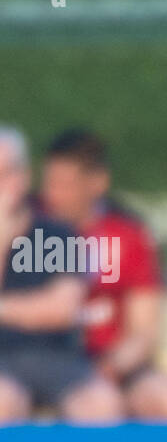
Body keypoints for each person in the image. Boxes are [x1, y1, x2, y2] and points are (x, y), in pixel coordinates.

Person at [39, 129, 167, 421]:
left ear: (97, 183)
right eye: (50, 183)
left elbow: (143, 332)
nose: (53, 195)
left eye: (66, 185)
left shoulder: (128, 235)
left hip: (112, 363)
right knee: (95, 405)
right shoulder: (30, 231)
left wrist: (110, 367)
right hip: (48, 363)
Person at [0, 125, 119, 424]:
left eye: (4, 174)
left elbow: (62, 311)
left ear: (22, 178)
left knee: (102, 405)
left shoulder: (56, 234)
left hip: (59, 360)